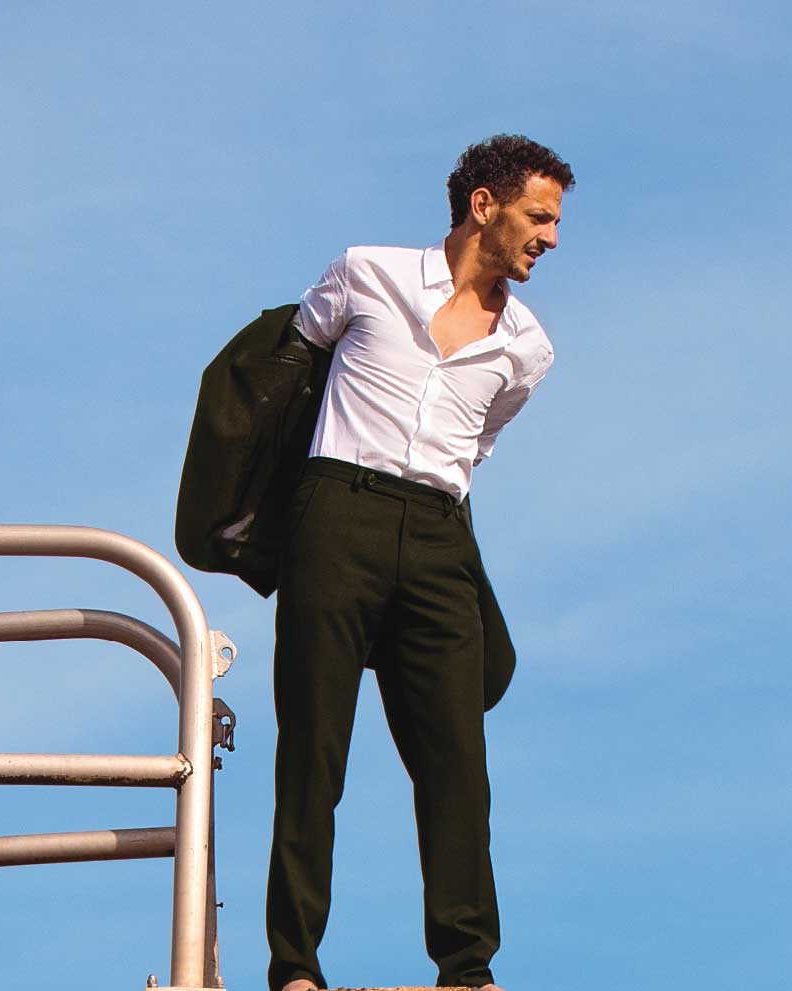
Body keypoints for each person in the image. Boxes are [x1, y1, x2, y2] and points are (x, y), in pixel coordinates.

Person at [265, 134, 573, 991]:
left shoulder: (528, 349)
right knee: (314, 750)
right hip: (337, 513)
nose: (550, 238)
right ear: (484, 205)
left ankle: (468, 969)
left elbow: (477, 445)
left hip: (439, 533)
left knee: (457, 765)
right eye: (539, 217)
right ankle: (295, 966)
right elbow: (287, 373)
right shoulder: (368, 274)